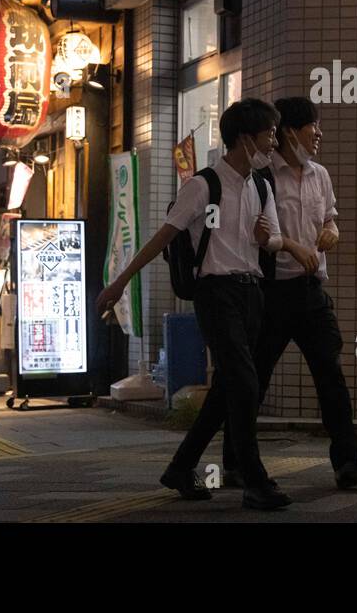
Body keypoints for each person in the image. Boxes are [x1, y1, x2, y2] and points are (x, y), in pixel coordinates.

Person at [97, 98, 291, 510]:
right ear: (244, 137)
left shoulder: (261, 184)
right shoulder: (204, 185)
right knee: (244, 382)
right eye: (270, 134)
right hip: (215, 294)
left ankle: (181, 467)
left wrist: (265, 240)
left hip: (252, 293)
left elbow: (273, 238)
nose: (274, 142)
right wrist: (119, 283)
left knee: (227, 389)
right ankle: (255, 479)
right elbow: (163, 237)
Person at [219, 97, 357, 490]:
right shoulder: (262, 177)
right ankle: (236, 463)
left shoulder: (320, 175)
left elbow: (330, 219)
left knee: (331, 376)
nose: (320, 134)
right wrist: (291, 245)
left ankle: (348, 462)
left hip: (312, 293)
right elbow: (254, 233)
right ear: (290, 132)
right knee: (253, 381)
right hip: (271, 293)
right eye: (313, 126)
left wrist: (333, 233)